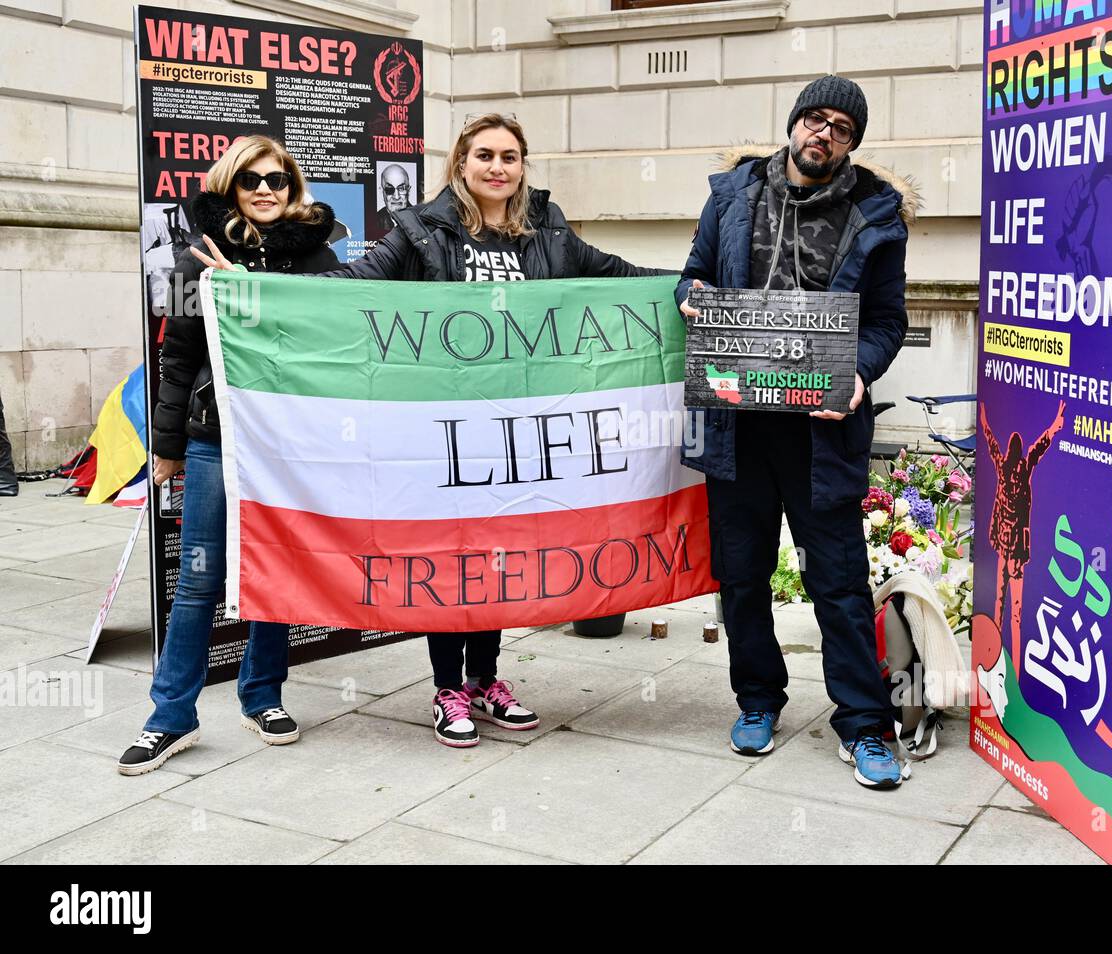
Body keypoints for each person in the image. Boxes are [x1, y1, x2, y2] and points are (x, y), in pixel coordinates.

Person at [194, 113, 669, 749]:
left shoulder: (551, 236)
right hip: (443, 428)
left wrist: (690, 284)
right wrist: (260, 288)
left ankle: (486, 681)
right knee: (455, 555)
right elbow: (351, 287)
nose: (498, 167)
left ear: (523, 166)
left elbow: (619, 277)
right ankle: (448, 688)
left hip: (516, 429)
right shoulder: (421, 232)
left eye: (510, 156)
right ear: (461, 165)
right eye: (484, 156)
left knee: (502, 554)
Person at [675, 76, 915, 789]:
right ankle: (757, 701)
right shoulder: (729, 196)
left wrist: (860, 375)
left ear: (851, 144)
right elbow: (689, 278)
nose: (825, 133)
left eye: (842, 127)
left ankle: (864, 725)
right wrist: (693, 300)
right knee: (742, 577)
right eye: (816, 118)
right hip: (737, 425)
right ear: (793, 124)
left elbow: (886, 322)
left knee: (837, 584)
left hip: (821, 434)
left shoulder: (877, 215)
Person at [118, 136, 340, 775]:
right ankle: (169, 717)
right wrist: (166, 446)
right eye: (251, 180)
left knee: (277, 572)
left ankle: (262, 694)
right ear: (231, 187)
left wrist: (255, 298)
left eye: (277, 178)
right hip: (215, 436)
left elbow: (328, 348)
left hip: (291, 442)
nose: (266, 189)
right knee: (197, 579)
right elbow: (178, 358)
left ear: (292, 186)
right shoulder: (197, 260)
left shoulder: (320, 259)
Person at [980, 400, 1065, 677]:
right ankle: (1015, 667)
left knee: (998, 603)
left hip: (1004, 548)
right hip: (1017, 549)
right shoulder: (1024, 468)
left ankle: (994, 659)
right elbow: (1039, 447)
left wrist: (983, 420)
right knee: (1016, 611)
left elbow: (991, 443)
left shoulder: (1002, 469)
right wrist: (1054, 426)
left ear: (1008, 452)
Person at [376, 163, 411, 233]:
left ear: (408, 190)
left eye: (401, 188)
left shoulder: (420, 218)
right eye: (389, 189)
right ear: (381, 191)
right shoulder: (374, 221)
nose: (396, 197)